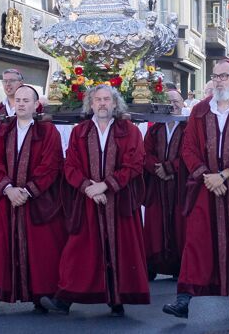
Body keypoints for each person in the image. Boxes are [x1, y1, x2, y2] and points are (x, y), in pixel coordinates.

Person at [162, 60, 229, 324]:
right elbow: (188, 149)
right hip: (204, 186)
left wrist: (225, 174)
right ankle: (184, 299)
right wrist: (207, 176)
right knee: (197, 242)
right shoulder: (200, 110)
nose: (220, 80)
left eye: (225, 76)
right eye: (216, 76)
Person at [44, 85, 149, 316]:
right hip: (87, 201)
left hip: (119, 200)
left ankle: (117, 299)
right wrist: (89, 188)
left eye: (107, 99)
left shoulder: (130, 131)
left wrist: (107, 185)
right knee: (78, 251)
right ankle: (65, 299)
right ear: (90, 104)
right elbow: (70, 165)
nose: (102, 103)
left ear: (115, 104)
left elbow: (134, 163)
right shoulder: (80, 131)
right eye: (98, 100)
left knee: (121, 250)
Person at [0, 84, 65, 314]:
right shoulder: (4, 129)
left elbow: (50, 166)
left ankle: (41, 295)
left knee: (40, 248)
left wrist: (28, 191)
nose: (20, 104)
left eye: (25, 100)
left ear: (35, 105)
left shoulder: (48, 131)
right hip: (7, 199)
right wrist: (8, 188)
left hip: (36, 201)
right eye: (17, 100)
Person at [143, 93, 189, 278]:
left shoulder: (188, 127)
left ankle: (180, 267)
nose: (172, 105)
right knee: (155, 225)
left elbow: (190, 153)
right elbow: (145, 152)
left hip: (179, 184)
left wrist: (170, 168)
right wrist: (158, 170)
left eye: (176, 101)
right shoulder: (155, 129)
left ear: (182, 103)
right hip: (157, 185)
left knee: (180, 225)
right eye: (168, 102)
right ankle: (153, 265)